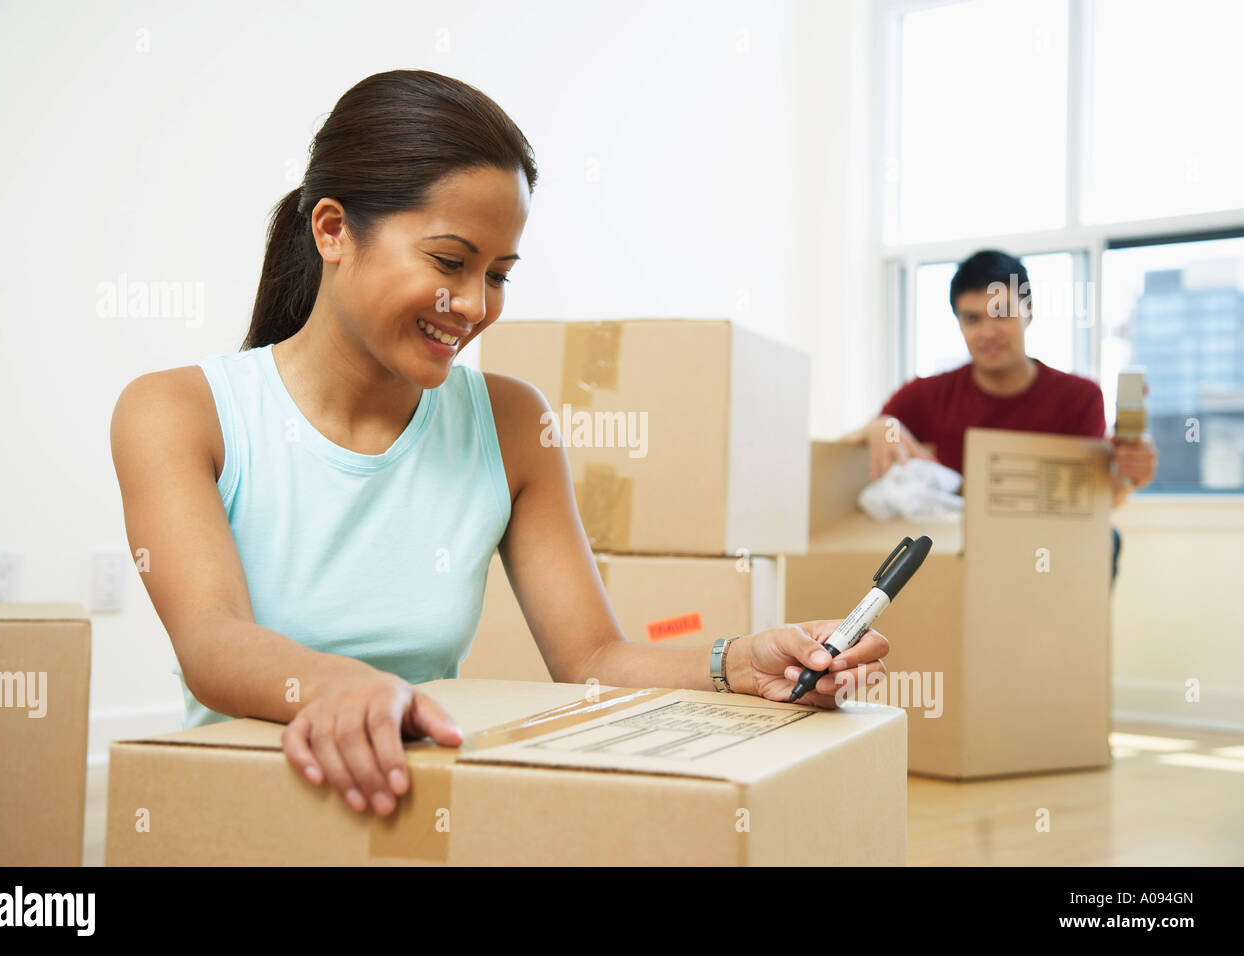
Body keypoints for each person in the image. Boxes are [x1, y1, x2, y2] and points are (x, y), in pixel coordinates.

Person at [110, 70, 888, 819]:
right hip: (238, 806)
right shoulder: (179, 412)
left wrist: (737, 662)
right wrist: (332, 687)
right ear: (333, 230)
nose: (476, 306)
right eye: (450, 262)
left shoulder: (512, 422)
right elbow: (210, 639)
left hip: (418, 807)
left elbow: (590, 658)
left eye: (501, 273)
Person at [842, 249, 1158, 578]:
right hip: (956, 557)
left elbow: (1094, 507)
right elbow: (851, 450)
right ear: (959, 322)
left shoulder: (1079, 397)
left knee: (1107, 539)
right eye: (972, 319)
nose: (988, 332)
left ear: (1029, 312)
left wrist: (1127, 478)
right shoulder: (925, 395)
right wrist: (882, 425)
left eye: (1002, 313)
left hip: (1047, 555)